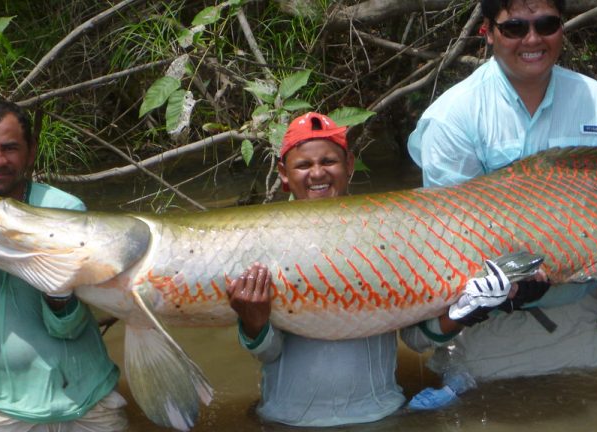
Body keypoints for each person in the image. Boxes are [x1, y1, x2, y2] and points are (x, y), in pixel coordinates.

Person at [405, 0, 597, 406]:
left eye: (546, 24)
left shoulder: (593, 100)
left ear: (562, 28)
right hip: (486, 332)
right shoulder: (453, 116)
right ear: (487, 31)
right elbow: (453, 239)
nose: (532, 39)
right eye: (515, 27)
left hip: (577, 320)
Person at [225, 112, 525, 427]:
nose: (317, 173)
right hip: (285, 420)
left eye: (329, 161)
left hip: (379, 416)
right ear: (284, 174)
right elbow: (267, 352)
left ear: (350, 165)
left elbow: (418, 339)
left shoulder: (389, 234)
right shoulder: (266, 241)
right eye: (303, 165)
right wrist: (254, 323)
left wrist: (468, 308)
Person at [0, 98, 128, 431]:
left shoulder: (63, 210)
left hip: (89, 402)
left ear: (30, 152)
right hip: (0, 412)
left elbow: (70, 327)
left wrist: (55, 287)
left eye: (10, 148)